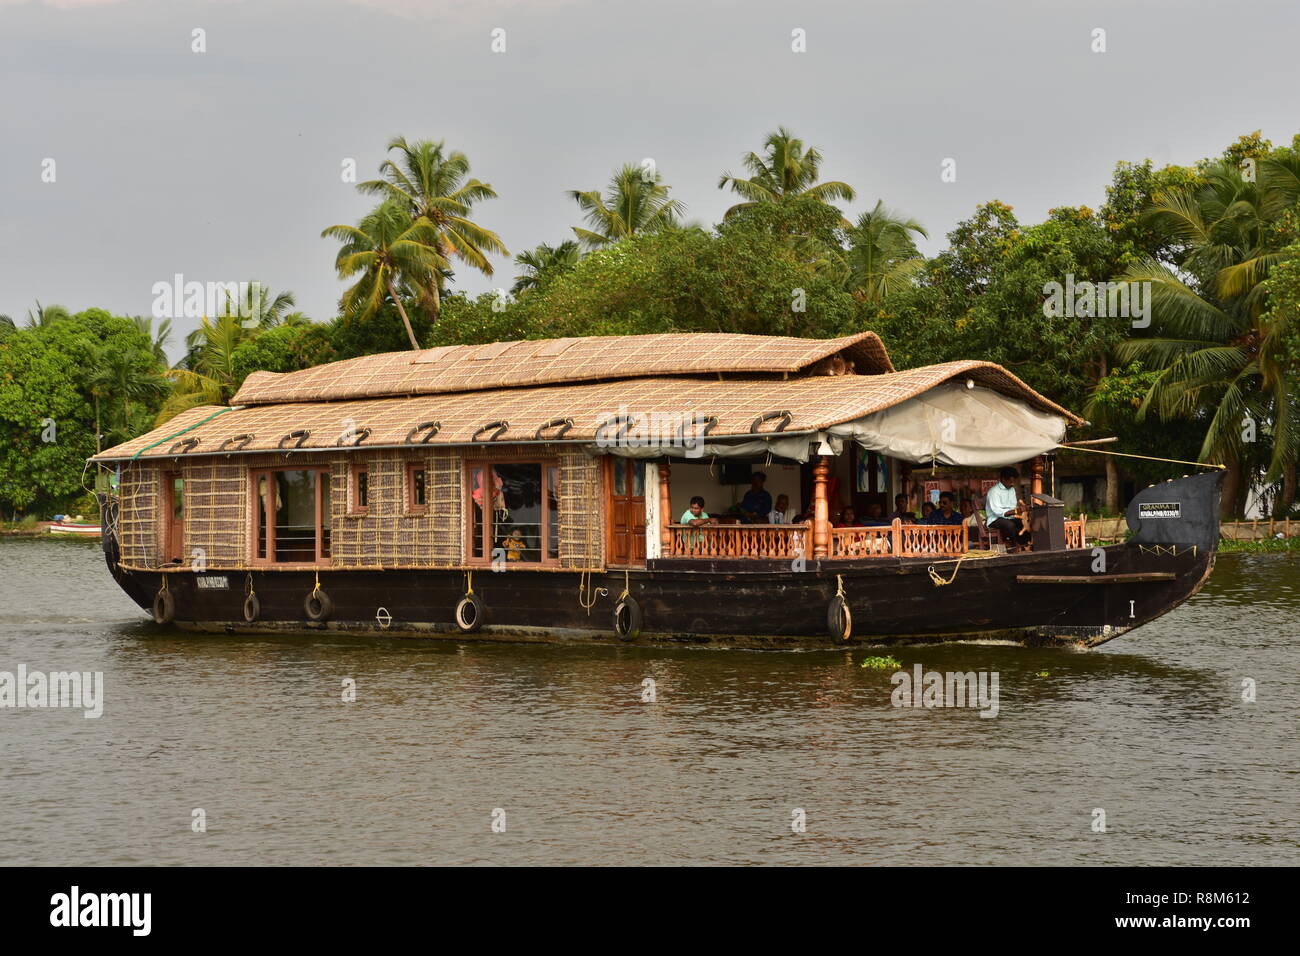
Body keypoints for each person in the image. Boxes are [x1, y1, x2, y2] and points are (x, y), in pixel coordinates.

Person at [985, 467, 1031, 549]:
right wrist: (1016, 511)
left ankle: (1025, 545)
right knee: (1010, 525)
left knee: (1023, 523)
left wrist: (1021, 509)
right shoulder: (994, 491)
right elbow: (997, 511)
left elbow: (1013, 507)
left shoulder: (1011, 489)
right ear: (1002, 479)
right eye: (1010, 481)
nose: (1012, 484)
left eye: (1013, 481)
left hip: (1008, 518)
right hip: (995, 519)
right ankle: (1014, 546)